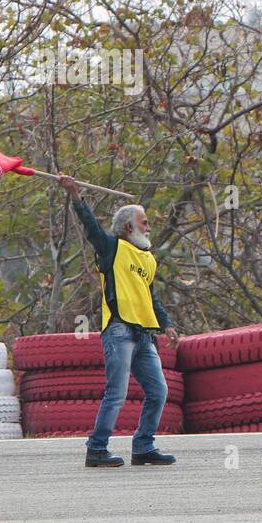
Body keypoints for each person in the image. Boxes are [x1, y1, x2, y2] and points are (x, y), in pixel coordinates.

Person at [58, 175, 178, 468]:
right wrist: (76, 195)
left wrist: (167, 323)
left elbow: (150, 296)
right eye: (145, 222)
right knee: (117, 393)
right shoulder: (113, 249)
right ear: (129, 227)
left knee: (158, 391)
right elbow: (91, 228)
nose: (149, 227)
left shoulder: (147, 259)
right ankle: (96, 448)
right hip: (120, 331)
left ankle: (144, 446)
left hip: (143, 335)